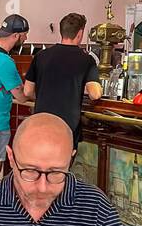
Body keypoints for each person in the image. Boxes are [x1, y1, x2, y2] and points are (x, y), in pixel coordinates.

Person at [23, 11, 102, 143]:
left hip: (41, 123)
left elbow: (27, 91)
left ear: (61, 32)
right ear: (80, 33)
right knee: (63, 163)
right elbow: (95, 94)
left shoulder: (41, 56)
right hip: (67, 127)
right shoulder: (86, 60)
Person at [0, 13, 32, 184]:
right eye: (24, 35)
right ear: (16, 35)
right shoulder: (4, 61)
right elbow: (21, 96)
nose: (25, 39)